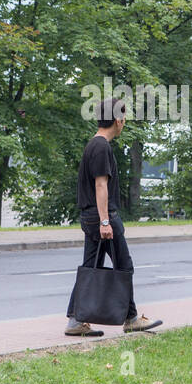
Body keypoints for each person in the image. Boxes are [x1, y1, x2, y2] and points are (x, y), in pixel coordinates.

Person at [64, 98, 163, 337]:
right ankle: (130, 319)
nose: (125, 122)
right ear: (118, 120)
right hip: (101, 217)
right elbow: (100, 185)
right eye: (124, 117)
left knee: (91, 267)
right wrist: (105, 221)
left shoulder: (94, 145)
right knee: (124, 265)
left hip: (92, 216)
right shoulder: (101, 147)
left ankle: (75, 321)